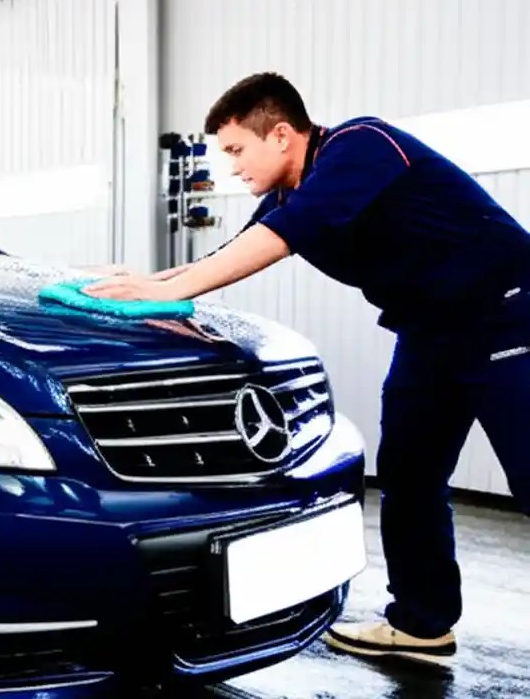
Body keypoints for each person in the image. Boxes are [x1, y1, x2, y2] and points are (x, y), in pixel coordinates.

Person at [86, 71, 530, 668]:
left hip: (509, 312)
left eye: (238, 150)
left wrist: (168, 288)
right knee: (408, 472)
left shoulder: (362, 145)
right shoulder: (283, 200)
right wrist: (141, 289)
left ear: (284, 135)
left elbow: (283, 236)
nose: (231, 167)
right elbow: (225, 259)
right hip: (430, 333)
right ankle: (422, 622)